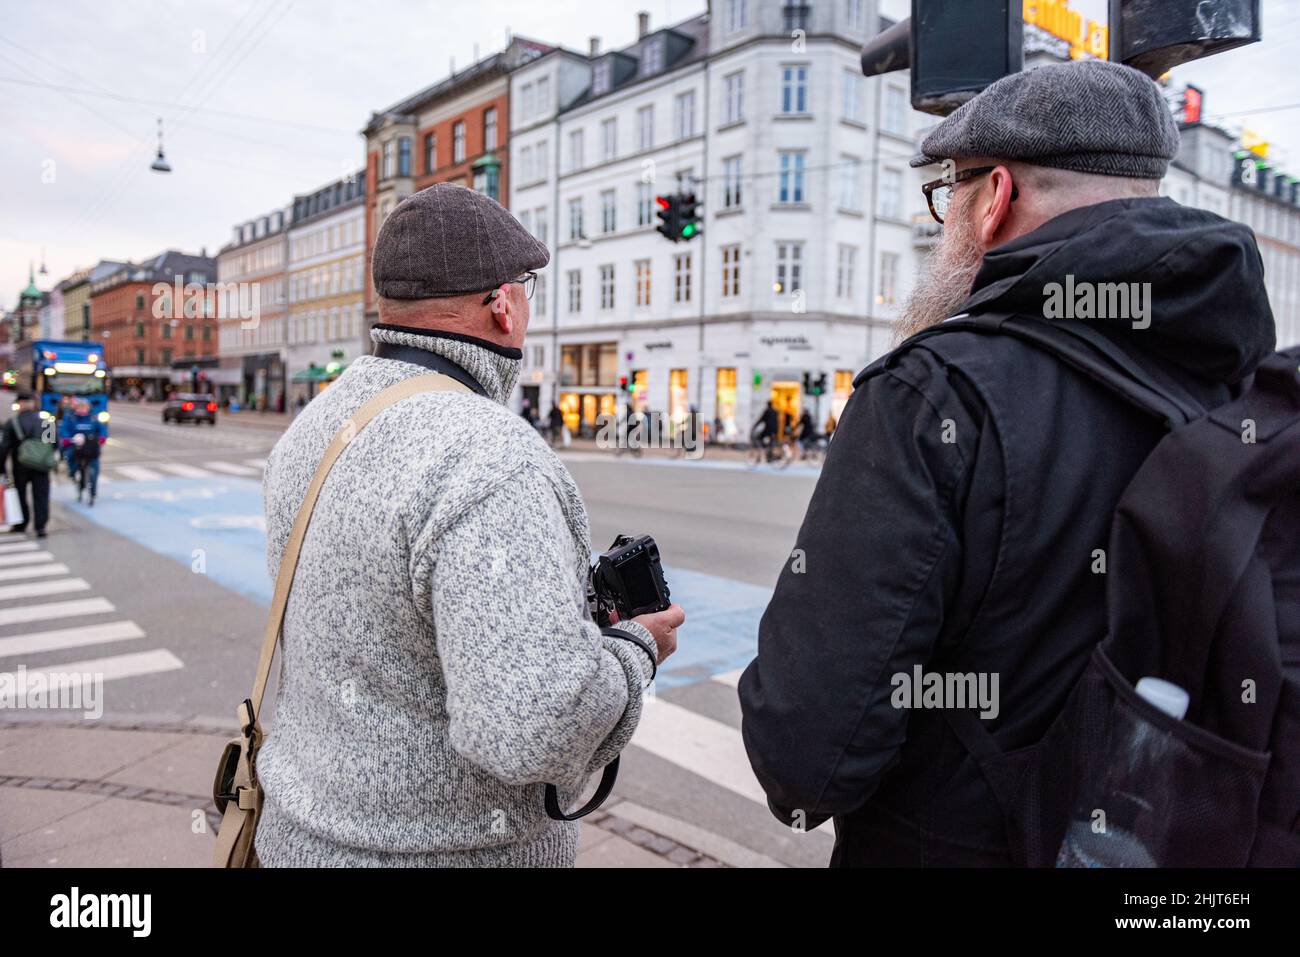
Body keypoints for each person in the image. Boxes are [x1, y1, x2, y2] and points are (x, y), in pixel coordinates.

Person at [739, 60, 1278, 866]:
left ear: (993, 198)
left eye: (945, 197)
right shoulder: (1242, 382)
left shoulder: (932, 394)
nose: (941, 225)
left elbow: (809, 746)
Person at [256, 183, 685, 867]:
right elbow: (531, 725)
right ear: (503, 305)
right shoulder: (490, 456)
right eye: (526, 290)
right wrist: (635, 651)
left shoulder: (316, 424)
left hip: (296, 837)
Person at [0, 392, 57, 537]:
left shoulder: (13, 422)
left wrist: (2, 468)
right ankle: (41, 526)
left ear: (19, 404)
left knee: (20, 494)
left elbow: (4, 447)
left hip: (21, 465)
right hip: (42, 464)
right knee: (41, 495)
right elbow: (53, 443)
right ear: (33, 403)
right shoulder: (46, 421)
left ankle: (21, 523)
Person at [62, 399, 105, 505]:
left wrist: (102, 438)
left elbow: (102, 429)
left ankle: (93, 493)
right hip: (75, 446)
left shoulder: (94, 418)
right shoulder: (70, 418)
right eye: (79, 407)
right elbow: (64, 430)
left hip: (91, 447)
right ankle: (72, 473)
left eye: (84, 407)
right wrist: (68, 439)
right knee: (69, 456)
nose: (82, 410)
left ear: (88, 408)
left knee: (95, 468)